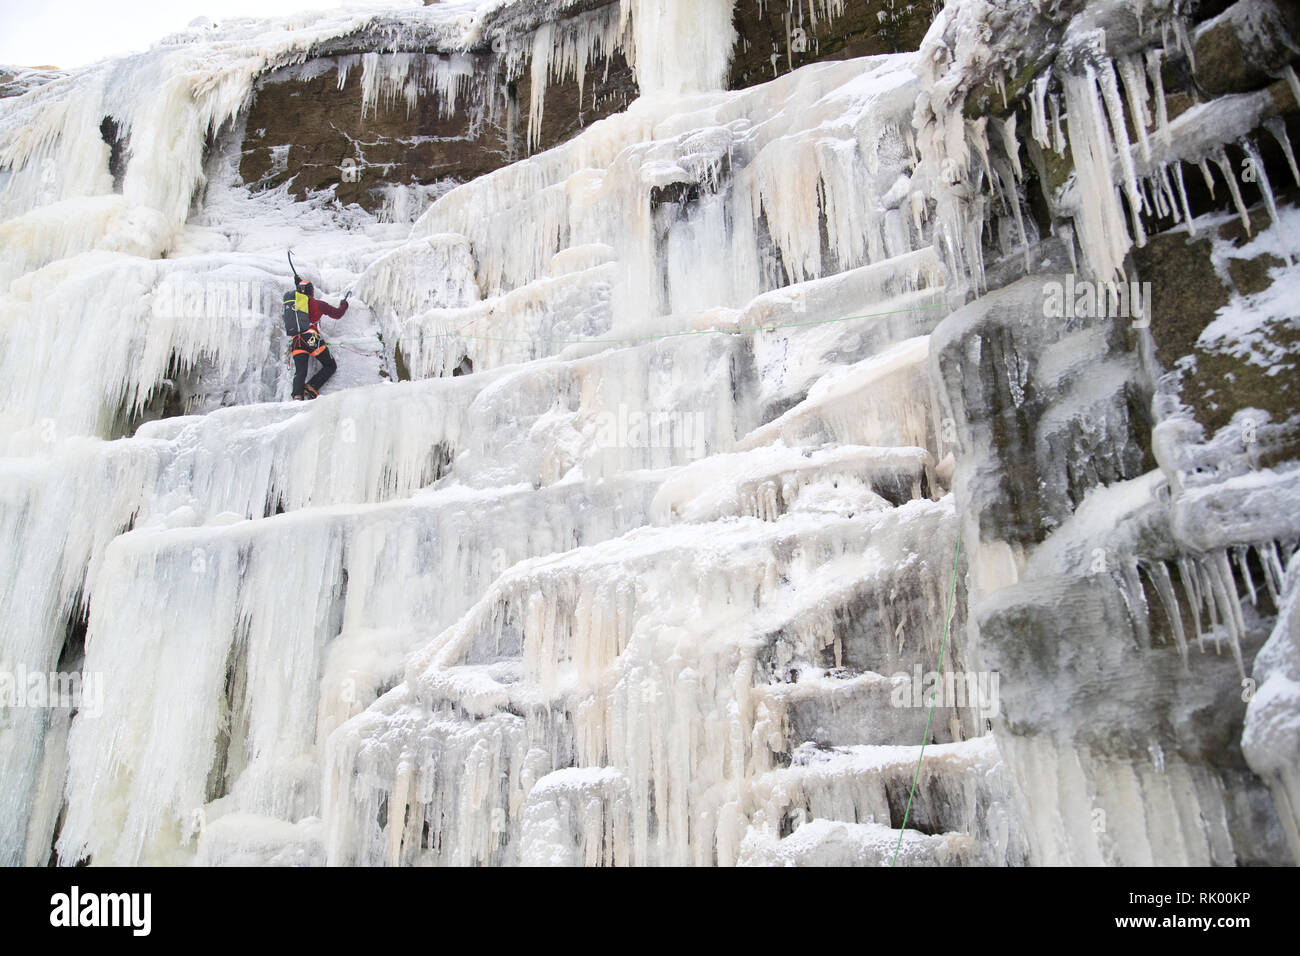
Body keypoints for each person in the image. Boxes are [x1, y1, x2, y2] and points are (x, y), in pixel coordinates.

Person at [288, 277, 349, 400]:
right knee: (330, 365)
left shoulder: (294, 306)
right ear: (312, 292)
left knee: (300, 372)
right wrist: (344, 304)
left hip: (296, 341)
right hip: (311, 339)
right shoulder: (318, 304)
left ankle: (297, 396)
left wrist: (298, 283)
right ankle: (311, 386)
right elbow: (337, 314)